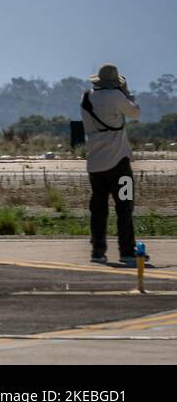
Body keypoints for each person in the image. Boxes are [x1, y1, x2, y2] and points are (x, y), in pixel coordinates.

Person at [81, 64, 142, 266]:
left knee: (98, 210)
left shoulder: (86, 98)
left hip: (95, 165)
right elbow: (135, 113)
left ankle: (97, 252)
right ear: (115, 83)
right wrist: (127, 94)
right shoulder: (116, 97)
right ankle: (127, 251)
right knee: (124, 207)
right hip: (119, 165)